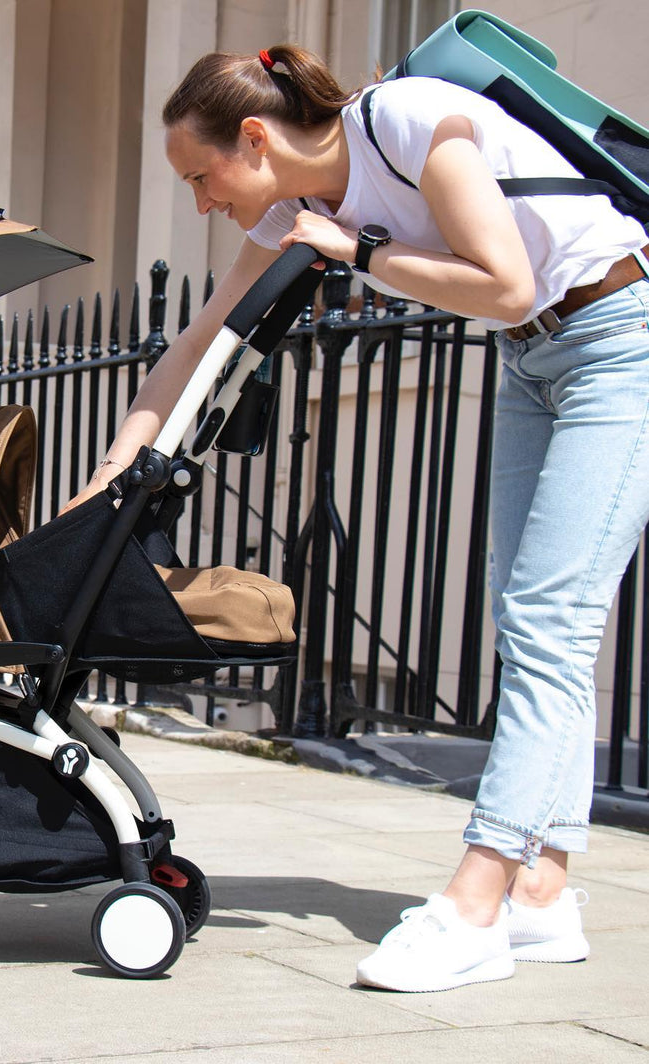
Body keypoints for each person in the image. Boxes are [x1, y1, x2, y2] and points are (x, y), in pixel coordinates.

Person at [66, 43, 649, 993]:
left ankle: (475, 902)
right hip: (533, 363)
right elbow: (202, 336)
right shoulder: (303, 208)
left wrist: (362, 252)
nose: (204, 202)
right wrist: (113, 466)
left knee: (549, 621)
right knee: (537, 623)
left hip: (620, 337)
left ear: (254, 140)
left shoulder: (411, 120)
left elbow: (504, 283)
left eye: (203, 177)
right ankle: (543, 897)